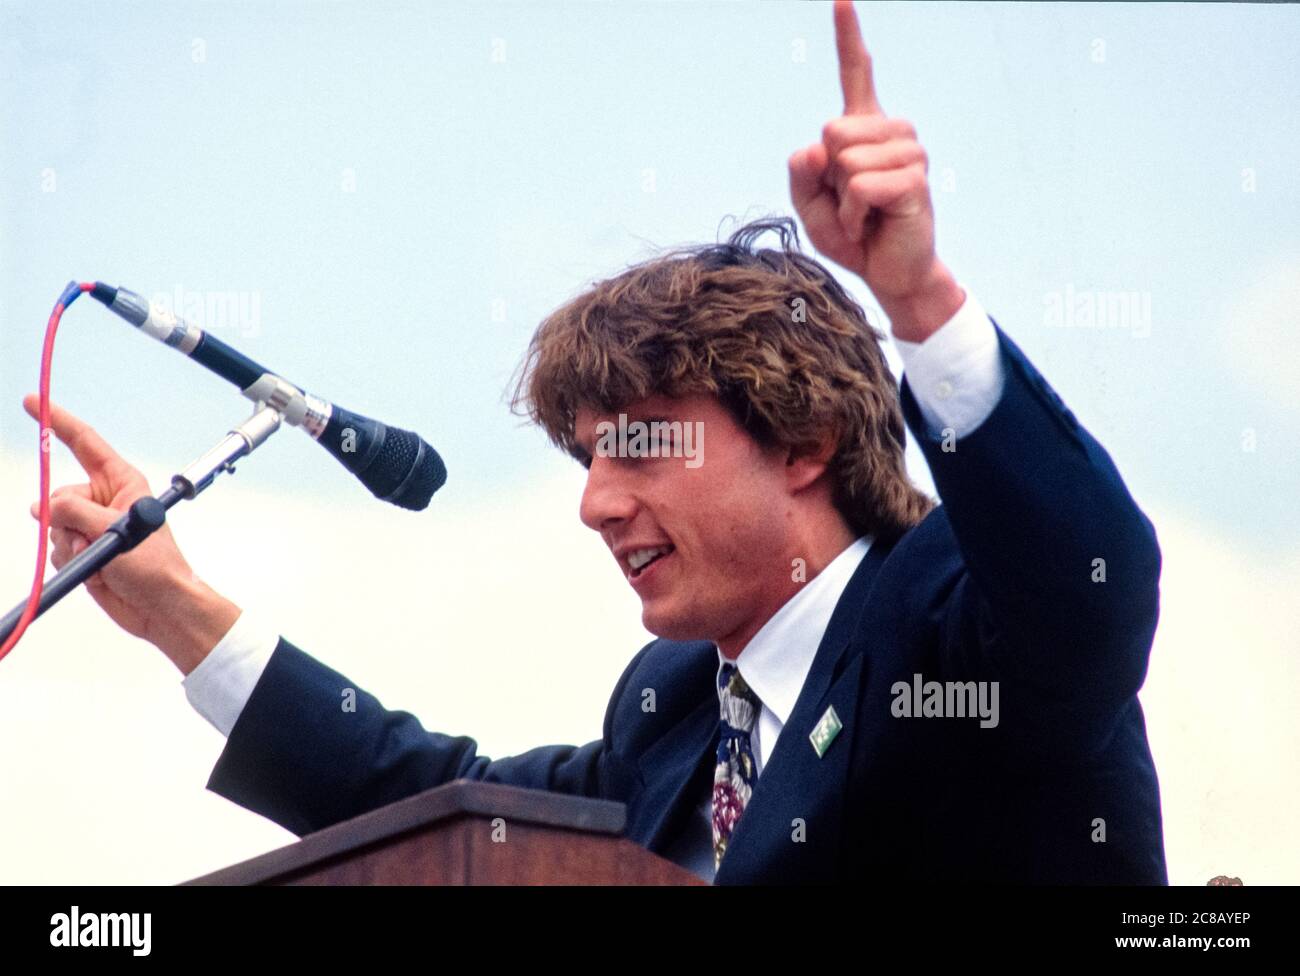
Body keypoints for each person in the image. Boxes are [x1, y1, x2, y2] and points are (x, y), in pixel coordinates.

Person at [24, 2, 1166, 883]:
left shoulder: (959, 626)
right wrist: (181, 614)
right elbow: (449, 804)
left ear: (805, 440)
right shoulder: (670, 708)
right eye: (586, 460)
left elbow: (1089, 584)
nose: (595, 503)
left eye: (640, 446)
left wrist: (917, 300)